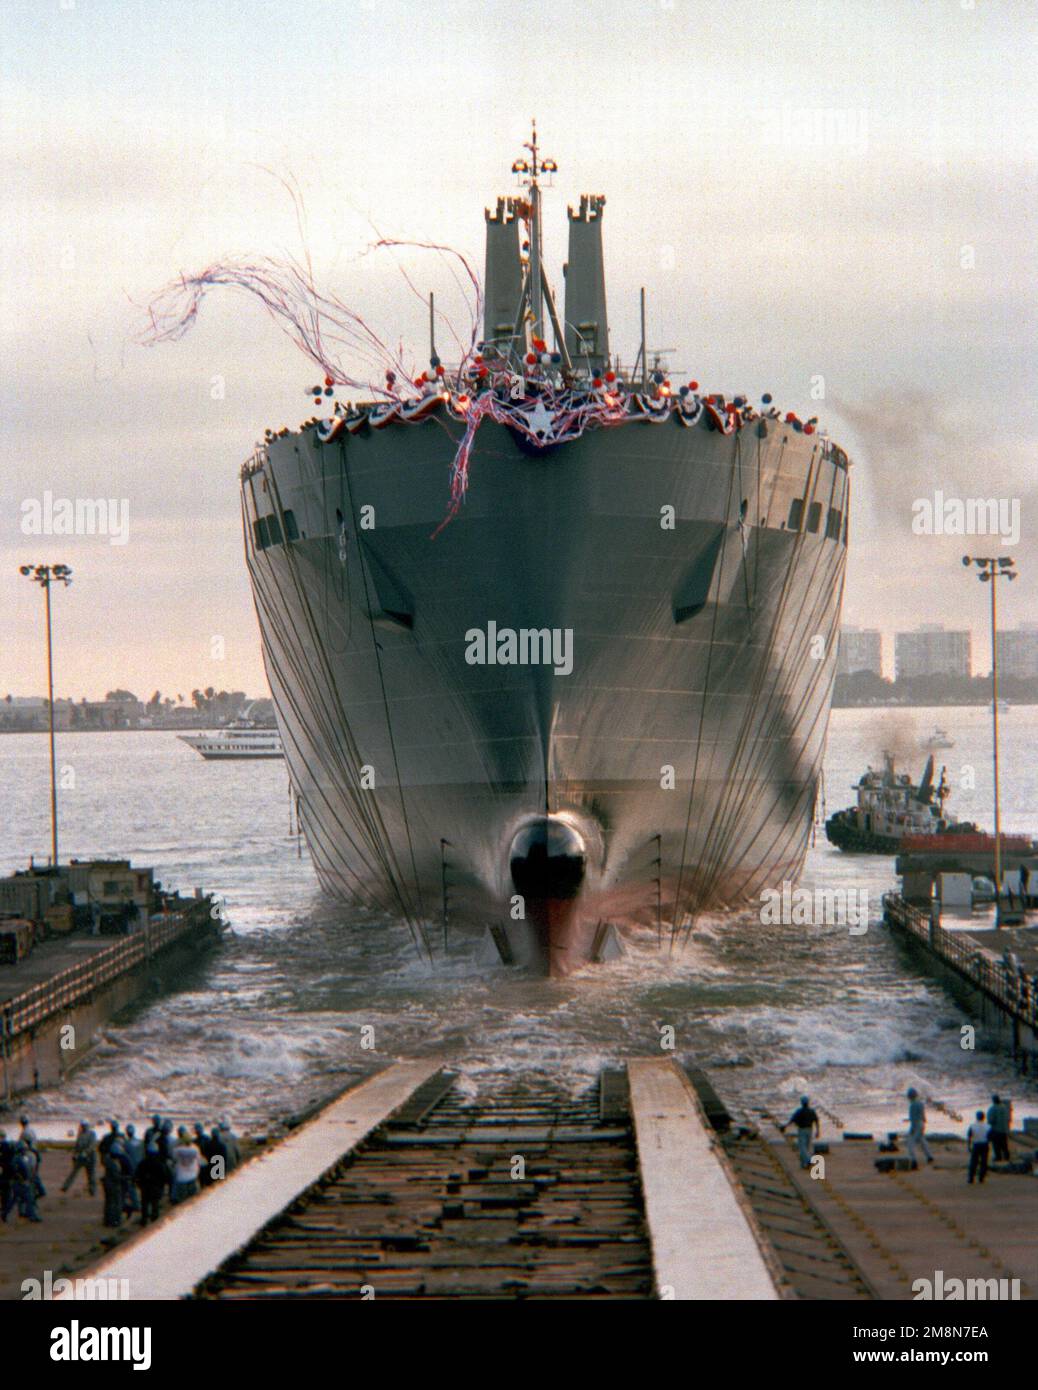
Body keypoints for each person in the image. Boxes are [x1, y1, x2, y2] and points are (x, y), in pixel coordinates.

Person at [780, 1095, 820, 1169]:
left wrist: (785, 1126)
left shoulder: (799, 1111)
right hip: (810, 1130)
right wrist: (818, 1131)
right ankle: (804, 1163)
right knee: (807, 1147)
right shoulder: (812, 1111)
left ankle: (808, 1160)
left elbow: (792, 1120)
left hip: (802, 1130)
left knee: (802, 1147)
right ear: (808, 1103)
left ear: (801, 1103)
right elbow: (816, 1121)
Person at [61, 1122, 98, 1196]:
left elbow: (92, 1145)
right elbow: (77, 1145)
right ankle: (65, 1187)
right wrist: (75, 1154)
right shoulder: (80, 1134)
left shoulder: (92, 1134)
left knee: (91, 1175)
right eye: (82, 1126)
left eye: (83, 1126)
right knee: (74, 1172)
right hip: (81, 1157)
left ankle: (92, 1191)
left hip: (90, 1157)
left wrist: (85, 1152)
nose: (82, 1127)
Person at [135, 1144, 167, 1227]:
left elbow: (137, 1174)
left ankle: (144, 1220)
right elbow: (165, 1175)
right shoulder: (159, 1163)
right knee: (155, 1204)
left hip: (145, 1186)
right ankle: (154, 1221)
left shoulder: (143, 1162)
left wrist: (139, 1184)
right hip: (156, 1186)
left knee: (145, 1204)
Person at [10, 1140, 42, 1222]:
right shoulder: (18, 1158)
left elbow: (30, 1167)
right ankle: (31, 1215)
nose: (25, 1150)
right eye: (24, 1149)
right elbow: (16, 1170)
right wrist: (22, 1178)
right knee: (20, 1199)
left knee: (23, 1199)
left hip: (24, 1181)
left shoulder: (23, 1157)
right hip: (21, 1182)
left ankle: (29, 1214)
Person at [170, 1127, 202, 1204]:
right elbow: (200, 1161)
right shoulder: (195, 1149)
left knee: (182, 1201)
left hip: (181, 1177)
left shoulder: (177, 1149)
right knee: (193, 1200)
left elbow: (173, 1159)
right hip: (192, 1175)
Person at [101, 1143, 128, 1227]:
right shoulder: (113, 1164)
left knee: (109, 1203)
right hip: (113, 1185)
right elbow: (116, 1176)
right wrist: (126, 1178)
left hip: (107, 1184)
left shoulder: (108, 1159)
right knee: (116, 1203)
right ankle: (115, 1221)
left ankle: (107, 1221)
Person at [906, 1088, 934, 1169]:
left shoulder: (912, 1105)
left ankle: (913, 1160)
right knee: (922, 1140)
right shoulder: (920, 1103)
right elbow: (923, 1116)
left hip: (916, 1125)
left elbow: (913, 1118)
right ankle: (929, 1156)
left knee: (911, 1142)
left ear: (910, 1097)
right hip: (922, 1124)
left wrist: (912, 1129)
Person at [19, 1117, 45, 1198]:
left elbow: (24, 1144)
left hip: (29, 1154)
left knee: (30, 1173)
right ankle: (40, 1190)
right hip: (35, 1153)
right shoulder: (31, 1130)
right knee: (34, 1173)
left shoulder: (25, 1132)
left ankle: (39, 1190)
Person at [966, 1110, 991, 1184]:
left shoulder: (972, 1126)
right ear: (984, 1117)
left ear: (976, 1117)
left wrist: (968, 1145)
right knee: (984, 1162)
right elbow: (990, 1137)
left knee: (973, 1162)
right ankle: (981, 1178)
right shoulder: (988, 1126)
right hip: (984, 1144)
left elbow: (969, 1136)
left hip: (976, 1144)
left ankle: (971, 1178)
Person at [986, 1094, 1010, 1163]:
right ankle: (1007, 1157)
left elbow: (990, 1121)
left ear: (993, 1101)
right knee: (1004, 1144)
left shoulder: (993, 1108)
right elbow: (1008, 1118)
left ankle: (998, 1157)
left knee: (996, 1144)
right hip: (1004, 1129)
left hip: (996, 1130)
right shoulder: (1004, 1107)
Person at [0, 1130, 17, 1220]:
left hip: (4, 1172)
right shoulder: (10, 1145)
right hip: (9, 1172)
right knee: (7, 1193)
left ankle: (4, 1210)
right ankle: (4, 1211)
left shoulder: (3, 1146)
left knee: (5, 1192)